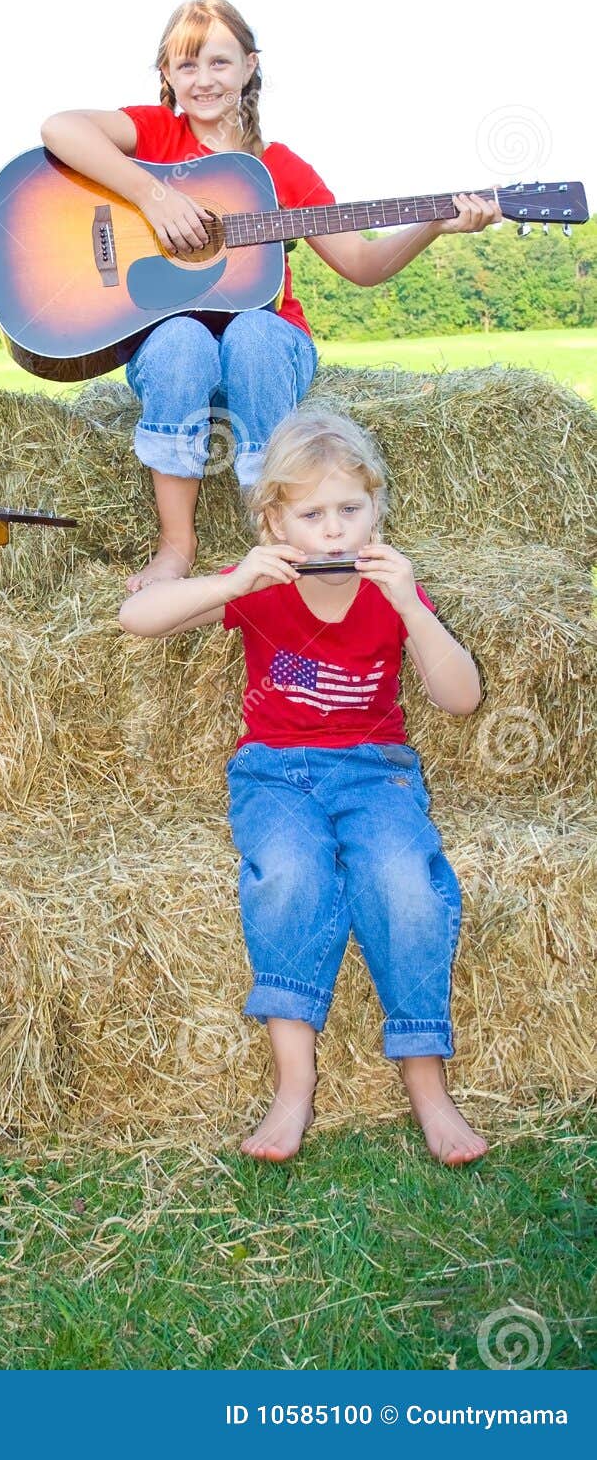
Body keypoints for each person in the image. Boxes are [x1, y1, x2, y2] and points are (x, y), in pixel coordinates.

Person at [118, 409, 488, 1166]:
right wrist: (235, 578)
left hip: (376, 770)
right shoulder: (264, 583)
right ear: (274, 521)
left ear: (375, 511)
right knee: (288, 874)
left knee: (403, 882)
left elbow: (460, 698)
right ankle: (295, 1084)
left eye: (349, 511)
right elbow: (136, 617)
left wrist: (412, 604)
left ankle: (425, 1080)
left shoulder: (392, 595)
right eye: (311, 515)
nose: (332, 532)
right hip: (274, 772)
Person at [41, 0, 500, 591]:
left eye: (219, 63)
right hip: (173, 343)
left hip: (269, 345)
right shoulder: (152, 134)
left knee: (253, 331)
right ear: (166, 76)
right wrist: (156, 199)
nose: (203, 80)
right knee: (180, 338)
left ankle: (278, 537)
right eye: (186, 66)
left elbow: (361, 263)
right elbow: (59, 128)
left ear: (251, 66)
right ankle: (177, 545)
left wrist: (434, 222)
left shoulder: (278, 167)